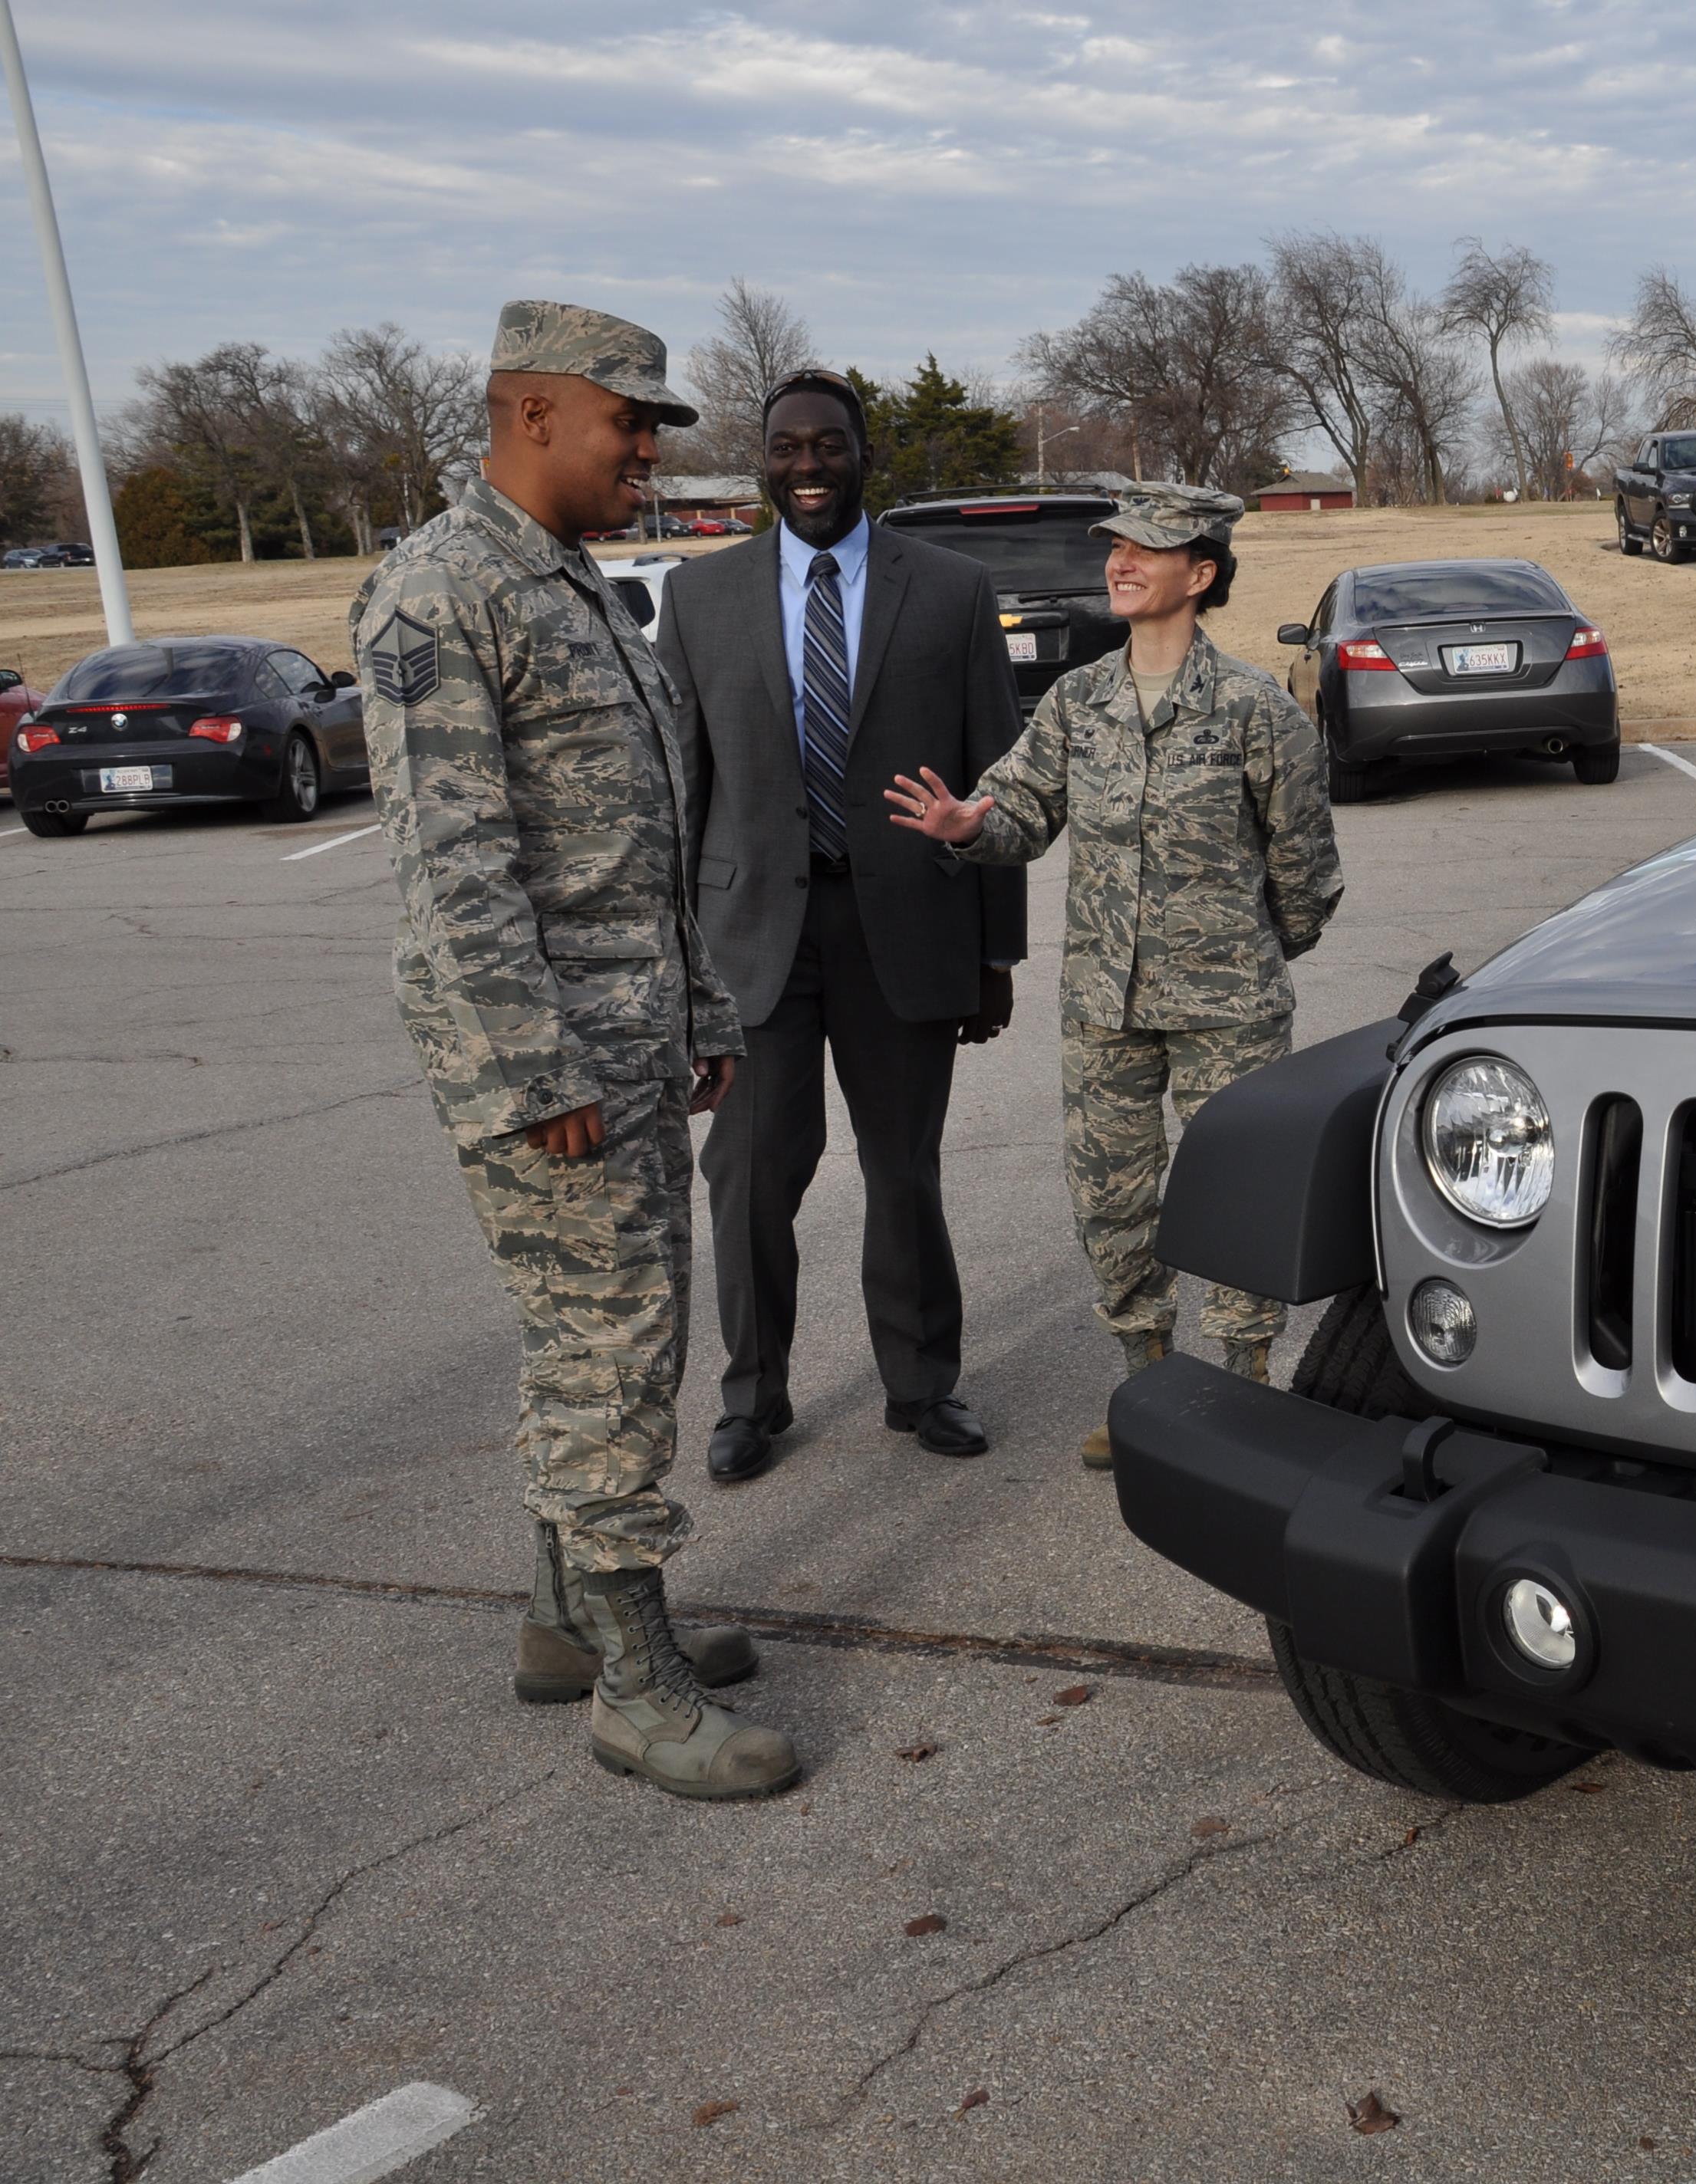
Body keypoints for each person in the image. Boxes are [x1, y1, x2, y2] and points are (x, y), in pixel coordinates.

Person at [354, 300, 796, 1801]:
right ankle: (635, 1680)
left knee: (605, 1337)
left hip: (627, 1042)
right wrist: (536, 1071)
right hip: (552, 1070)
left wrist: (698, 1013)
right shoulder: (441, 593)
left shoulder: (580, 587)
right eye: (631, 421)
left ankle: (566, 1616)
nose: (650, 452)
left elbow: (642, 838)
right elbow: (456, 873)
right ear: (534, 412)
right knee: (609, 1354)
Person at [882, 481, 1342, 1467]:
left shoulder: (1256, 709)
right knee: (1112, 1197)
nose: (1119, 562)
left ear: (1201, 572)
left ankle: (1246, 1392)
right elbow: (1020, 812)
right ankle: (1149, 1390)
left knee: (1241, 1194)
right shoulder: (1077, 702)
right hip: (1105, 1006)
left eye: (1144, 547)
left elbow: (1307, 873)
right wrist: (971, 826)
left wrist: (1247, 958)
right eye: (1114, 547)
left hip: (1229, 1012)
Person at [660, 369, 1026, 1480]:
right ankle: (752, 1399)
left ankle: (923, 1387)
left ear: (864, 456)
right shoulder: (700, 595)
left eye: (827, 445)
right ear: (763, 460)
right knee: (754, 1174)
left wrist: (995, 951)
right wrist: (677, 972)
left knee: (903, 1168)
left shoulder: (954, 591)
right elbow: (680, 791)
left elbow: (998, 775)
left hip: (905, 931)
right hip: (752, 941)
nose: (806, 465)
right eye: (785, 448)